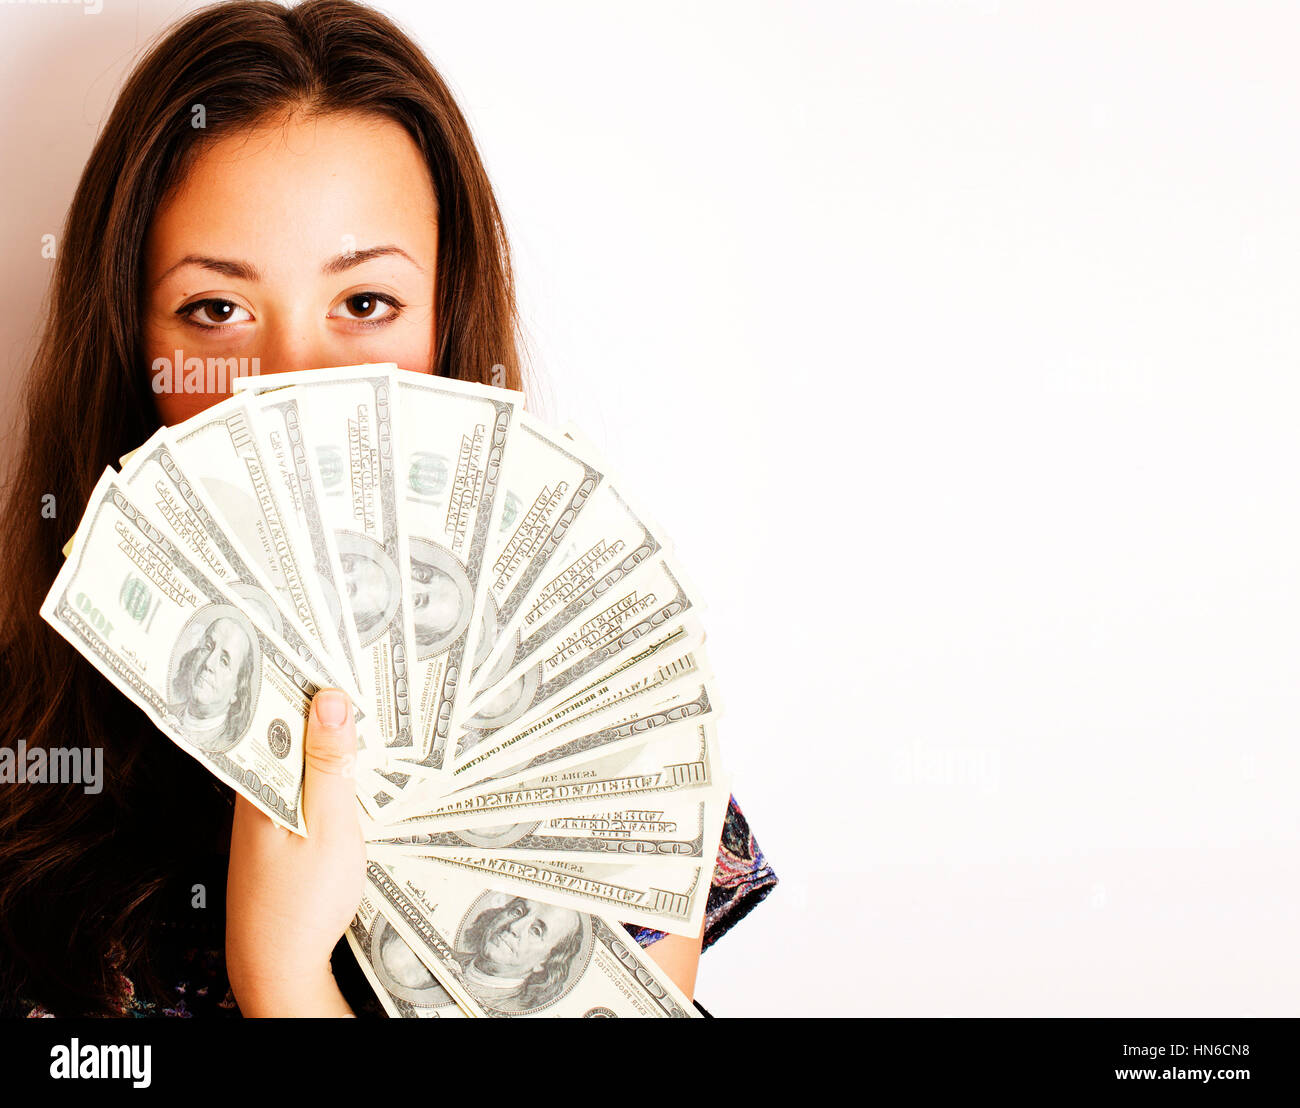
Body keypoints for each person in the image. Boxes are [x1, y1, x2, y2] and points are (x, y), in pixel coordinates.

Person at [0, 0, 776, 1018]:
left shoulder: (610, 752)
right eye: (217, 310)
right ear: (128, 341)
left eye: (364, 304)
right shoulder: (23, 763)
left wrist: (281, 977)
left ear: (446, 316)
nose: (290, 386)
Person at [170, 614, 257, 753]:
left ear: (236, 689)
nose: (208, 663)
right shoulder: (169, 711)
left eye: (224, 661)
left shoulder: (227, 744)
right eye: (208, 647)